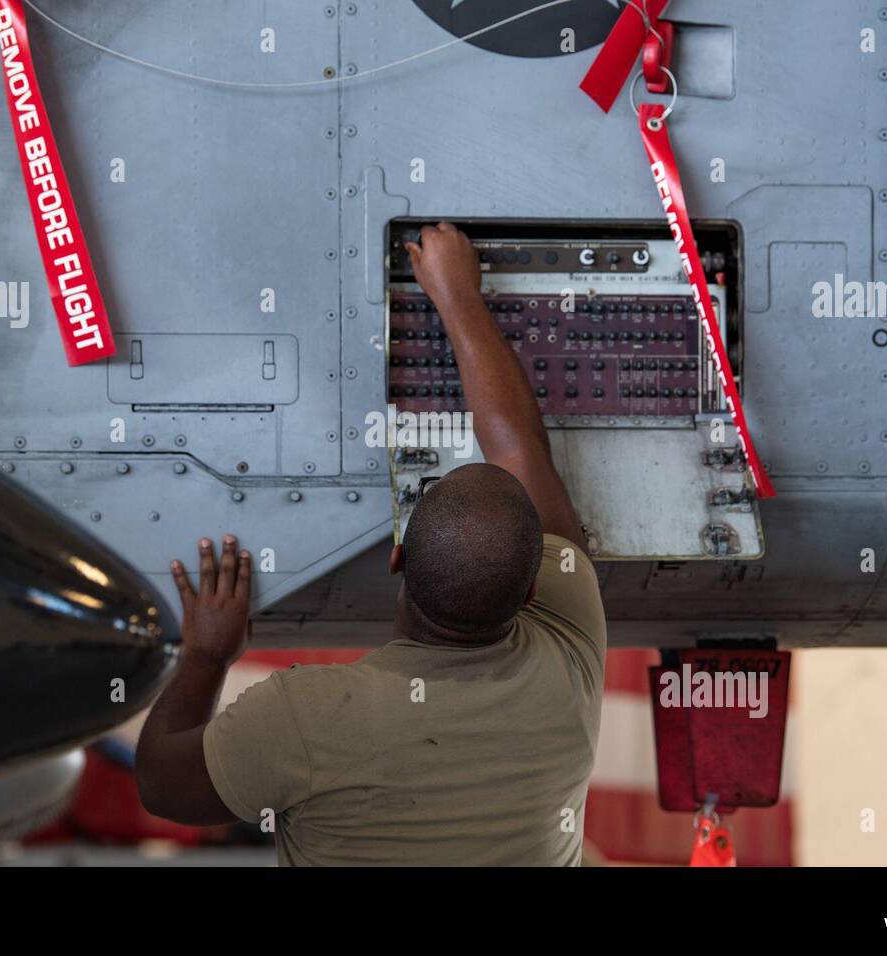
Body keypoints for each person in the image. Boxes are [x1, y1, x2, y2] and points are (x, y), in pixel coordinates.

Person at [135, 222, 607, 865]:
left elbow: (165, 783)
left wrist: (455, 292)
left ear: (397, 560)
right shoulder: (566, 661)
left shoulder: (307, 721)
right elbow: (520, 447)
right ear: (532, 590)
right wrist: (208, 654)